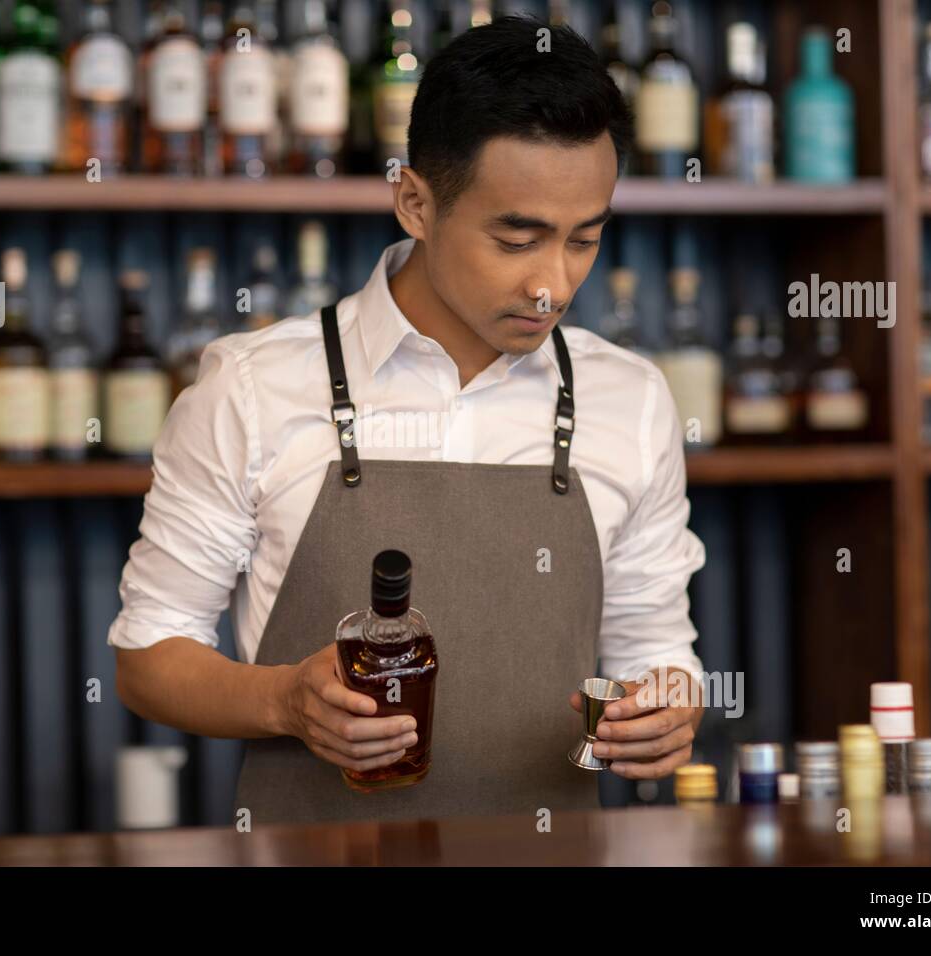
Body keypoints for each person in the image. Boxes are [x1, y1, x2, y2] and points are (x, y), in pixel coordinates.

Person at [109, 15, 706, 825]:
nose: (552, 286)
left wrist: (667, 709)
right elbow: (149, 656)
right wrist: (284, 699)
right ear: (414, 202)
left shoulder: (630, 399)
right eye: (517, 238)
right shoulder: (251, 388)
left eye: (584, 241)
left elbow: (657, 649)